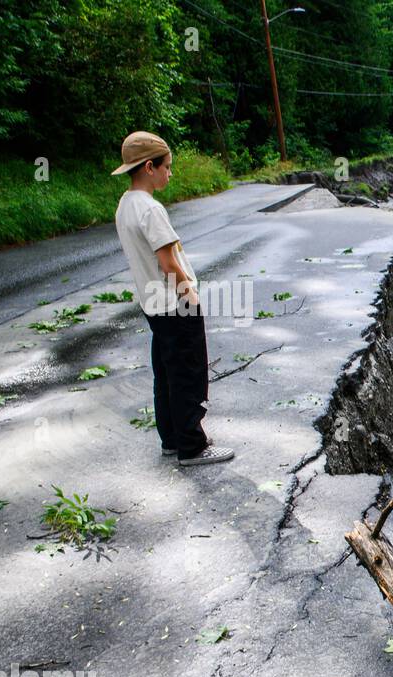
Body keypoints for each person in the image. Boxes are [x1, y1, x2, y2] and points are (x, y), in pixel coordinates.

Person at [111, 131, 233, 467]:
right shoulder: (151, 210)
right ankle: (192, 446)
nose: (170, 173)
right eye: (167, 167)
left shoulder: (125, 205)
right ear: (149, 167)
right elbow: (167, 263)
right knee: (188, 373)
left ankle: (172, 438)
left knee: (165, 372)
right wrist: (190, 295)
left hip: (152, 304)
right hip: (174, 302)